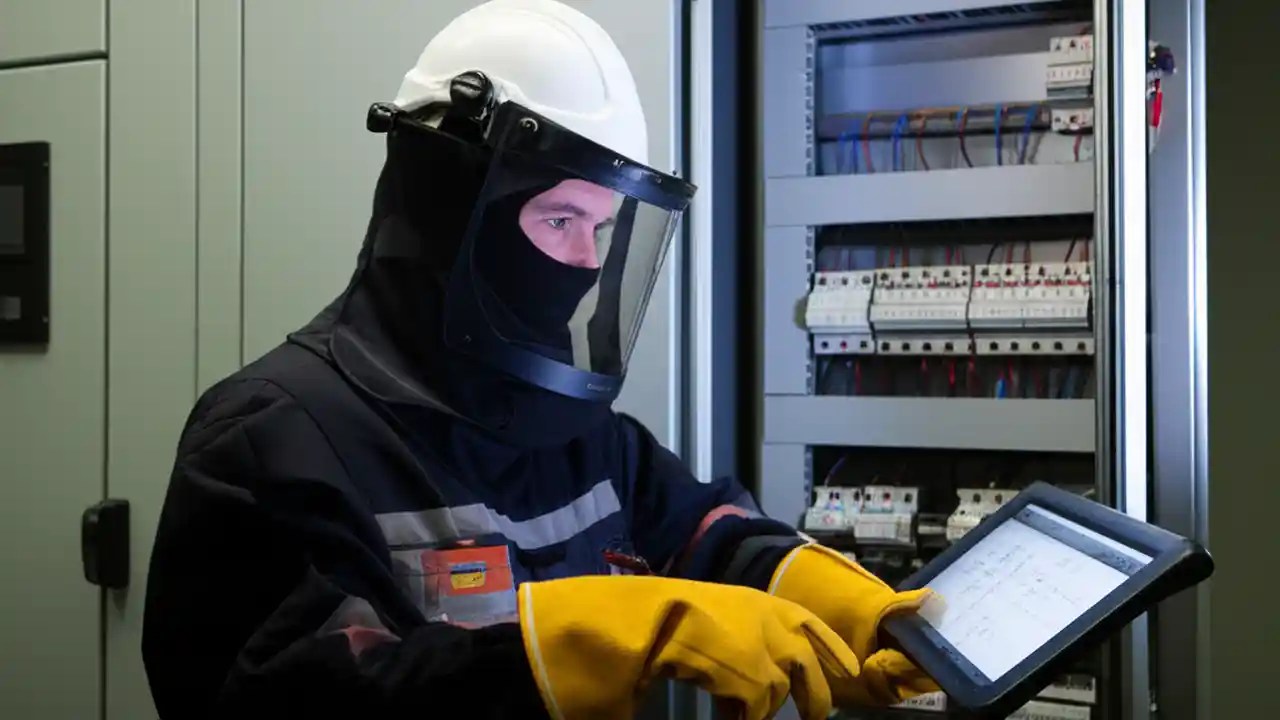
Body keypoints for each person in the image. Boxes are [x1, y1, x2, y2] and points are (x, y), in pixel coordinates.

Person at [141, 1, 937, 718]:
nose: (585, 263)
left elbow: (699, 527)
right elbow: (294, 695)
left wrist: (823, 592)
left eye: (600, 228)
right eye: (559, 219)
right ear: (446, 209)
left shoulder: (579, 436)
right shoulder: (269, 441)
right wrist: (558, 649)